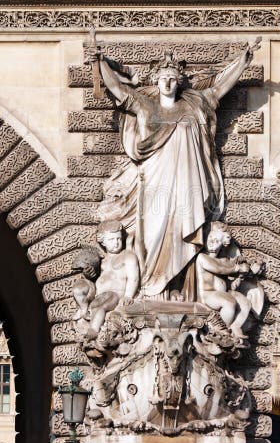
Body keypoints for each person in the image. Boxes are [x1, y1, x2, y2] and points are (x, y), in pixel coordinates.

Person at [89, 39, 260, 300]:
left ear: (178, 81)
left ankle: (181, 290)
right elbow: (117, 88)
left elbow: (219, 89)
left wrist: (243, 62)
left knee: (186, 231)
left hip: (187, 183)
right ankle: (151, 288)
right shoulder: (144, 104)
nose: (167, 83)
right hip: (155, 182)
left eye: (172, 78)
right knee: (152, 234)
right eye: (163, 78)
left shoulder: (195, 104)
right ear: (156, 81)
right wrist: (99, 62)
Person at [195, 221, 253, 339]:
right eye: (210, 238)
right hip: (207, 295)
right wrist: (236, 268)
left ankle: (235, 326)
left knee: (245, 302)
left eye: (215, 240)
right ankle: (220, 331)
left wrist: (243, 273)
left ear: (223, 243)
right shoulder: (203, 258)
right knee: (229, 302)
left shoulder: (223, 261)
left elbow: (227, 278)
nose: (211, 242)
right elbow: (219, 269)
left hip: (222, 293)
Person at [87, 220, 140, 337]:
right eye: (111, 239)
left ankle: (93, 331)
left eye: (119, 239)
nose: (116, 243)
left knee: (101, 309)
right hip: (100, 296)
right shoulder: (103, 261)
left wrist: (128, 296)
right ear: (103, 241)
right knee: (94, 308)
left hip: (115, 296)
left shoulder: (128, 256)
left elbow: (133, 278)